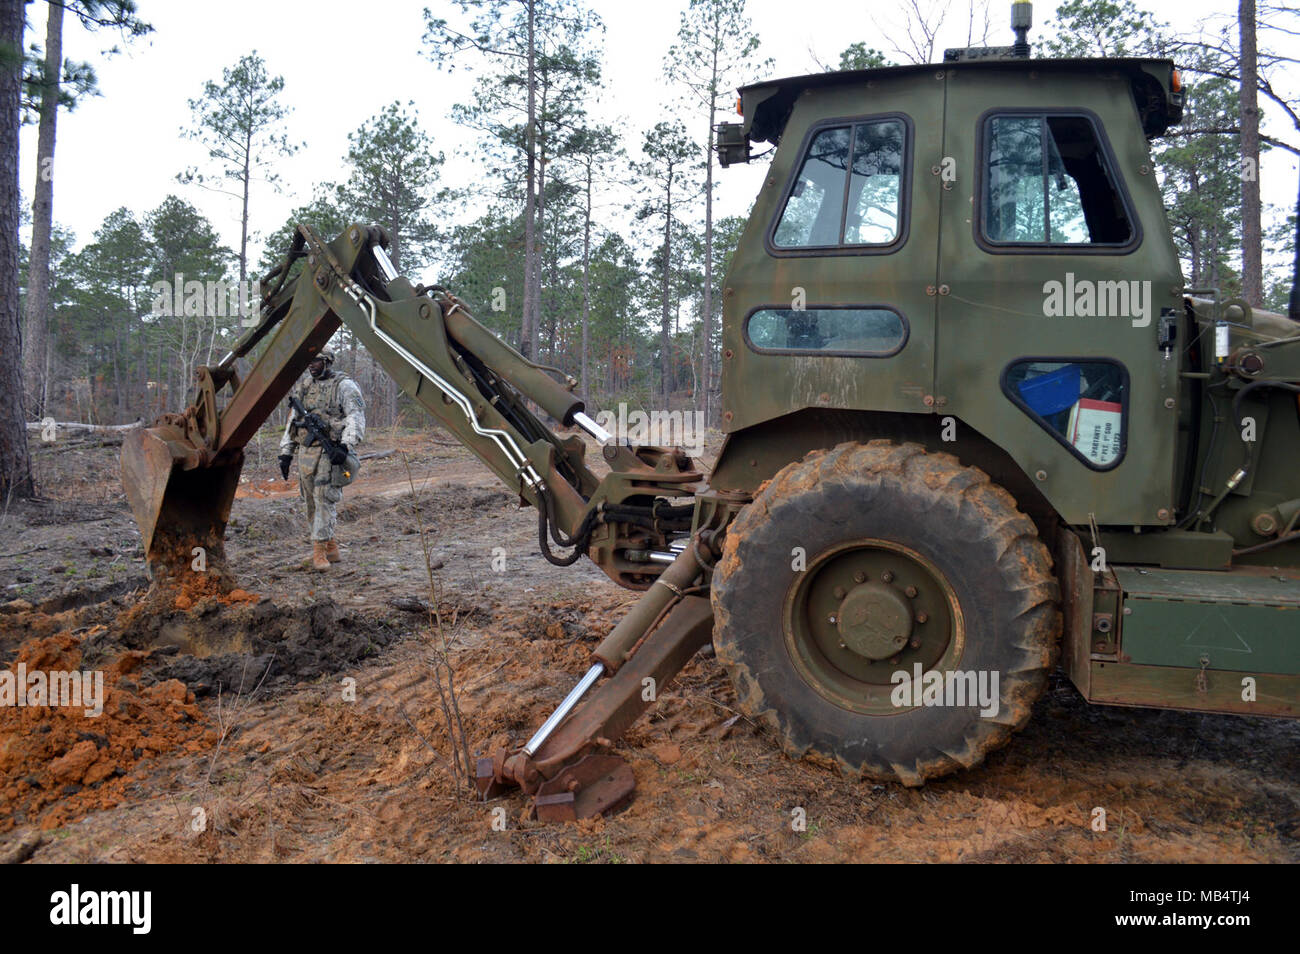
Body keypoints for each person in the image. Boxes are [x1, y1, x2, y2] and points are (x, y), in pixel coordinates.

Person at [277, 349, 366, 571]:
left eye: (316, 361)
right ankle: (331, 548)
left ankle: (319, 552)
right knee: (310, 501)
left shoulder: (344, 386)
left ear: (327, 362)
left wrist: (346, 445)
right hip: (307, 451)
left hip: (330, 451)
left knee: (324, 498)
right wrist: (286, 452)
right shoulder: (305, 386)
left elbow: (356, 415)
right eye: (310, 361)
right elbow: (293, 422)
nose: (311, 365)